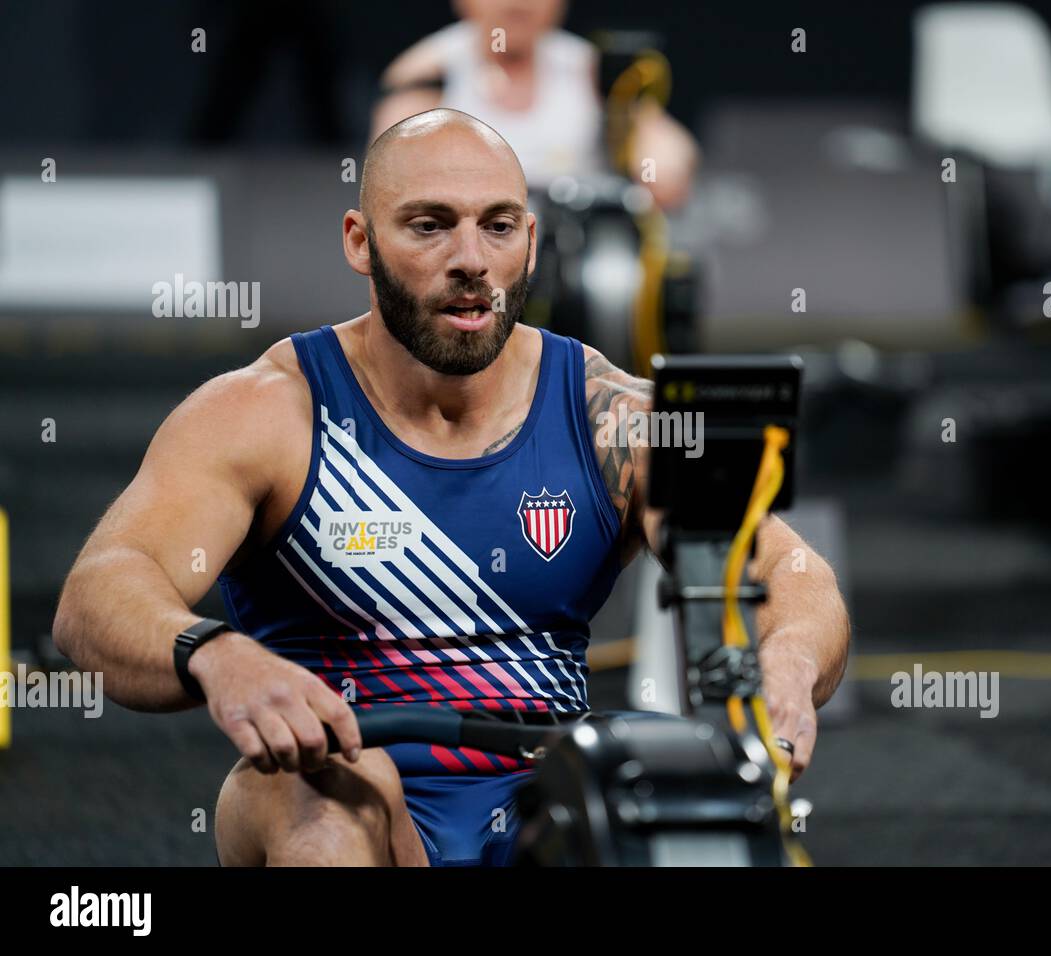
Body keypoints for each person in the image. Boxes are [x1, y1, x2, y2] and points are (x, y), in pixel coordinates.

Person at [51, 109, 849, 866]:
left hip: (551, 792)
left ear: (530, 244)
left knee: (683, 788)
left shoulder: (615, 416)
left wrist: (785, 661)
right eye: (430, 225)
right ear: (361, 243)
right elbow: (98, 595)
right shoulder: (265, 413)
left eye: (498, 226)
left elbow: (793, 575)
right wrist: (218, 656)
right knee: (327, 804)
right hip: (348, 779)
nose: (471, 258)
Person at [371, 0, 697, 209]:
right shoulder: (431, 70)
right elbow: (389, 184)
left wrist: (649, 155)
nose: (518, 3)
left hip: (572, 254)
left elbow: (667, 173)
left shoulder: (590, 67)